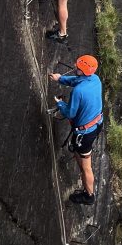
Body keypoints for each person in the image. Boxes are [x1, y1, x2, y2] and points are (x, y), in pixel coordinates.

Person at [50, 55, 103, 205]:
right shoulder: (95, 79)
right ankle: (77, 149)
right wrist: (60, 79)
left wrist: (60, 104)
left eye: (78, 66)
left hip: (85, 134)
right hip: (96, 123)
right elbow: (77, 80)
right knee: (79, 151)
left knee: (86, 166)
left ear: (83, 70)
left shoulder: (78, 92)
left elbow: (70, 113)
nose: (75, 65)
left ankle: (89, 196)